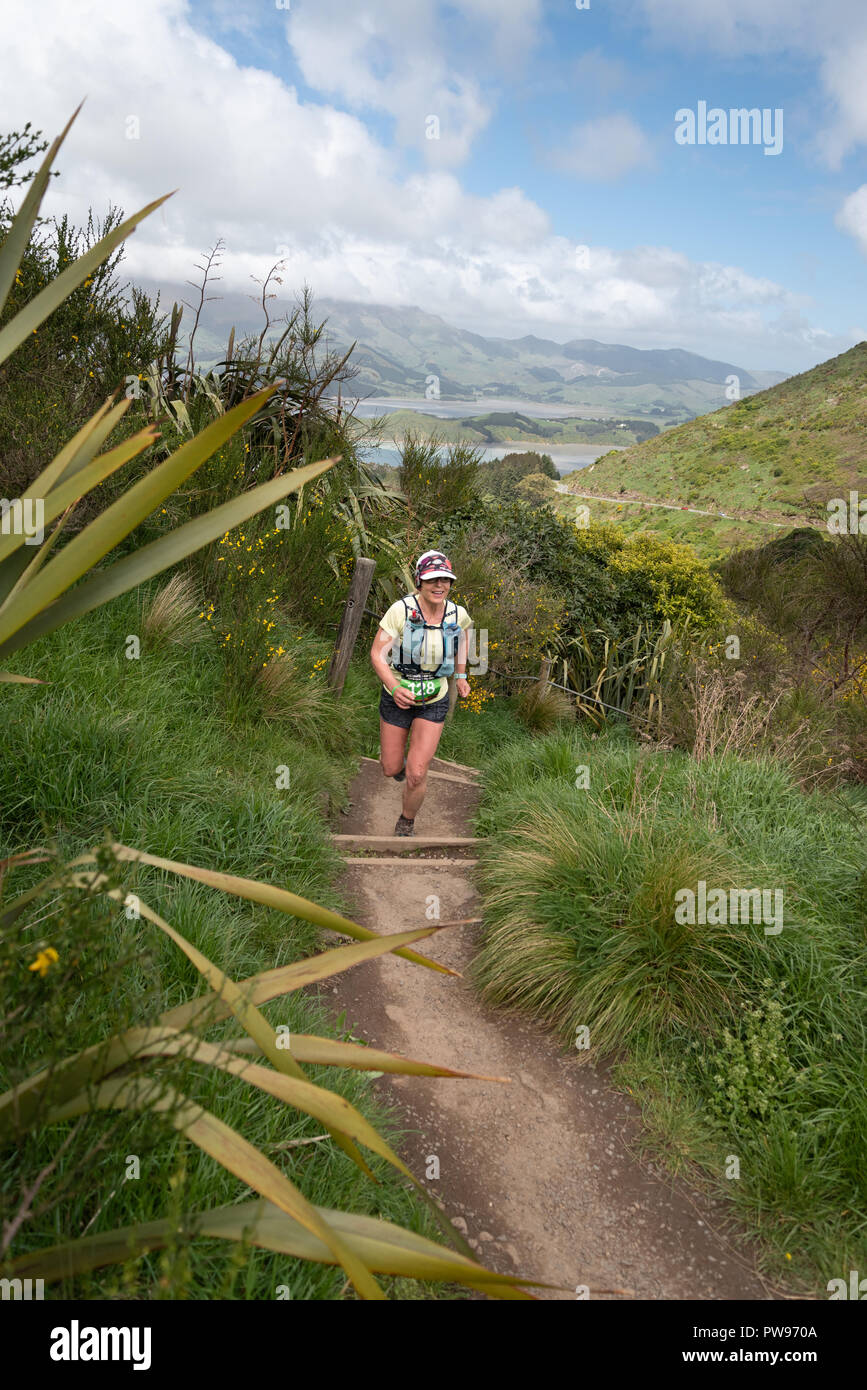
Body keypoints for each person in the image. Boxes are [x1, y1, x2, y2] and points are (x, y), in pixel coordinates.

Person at [370, 550, 472, 835]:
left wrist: (461, 676)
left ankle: (407, 820)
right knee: (391, 768)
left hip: (434, 698)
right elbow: (378, 654)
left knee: (417, 772)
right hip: (397, 695)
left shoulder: (457, 614)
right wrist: (394, 686)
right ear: (419, 582)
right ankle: (398, 768)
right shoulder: (400, 611)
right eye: (431, 579)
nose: (439, 585)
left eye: (445, 579)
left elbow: (463, 637)